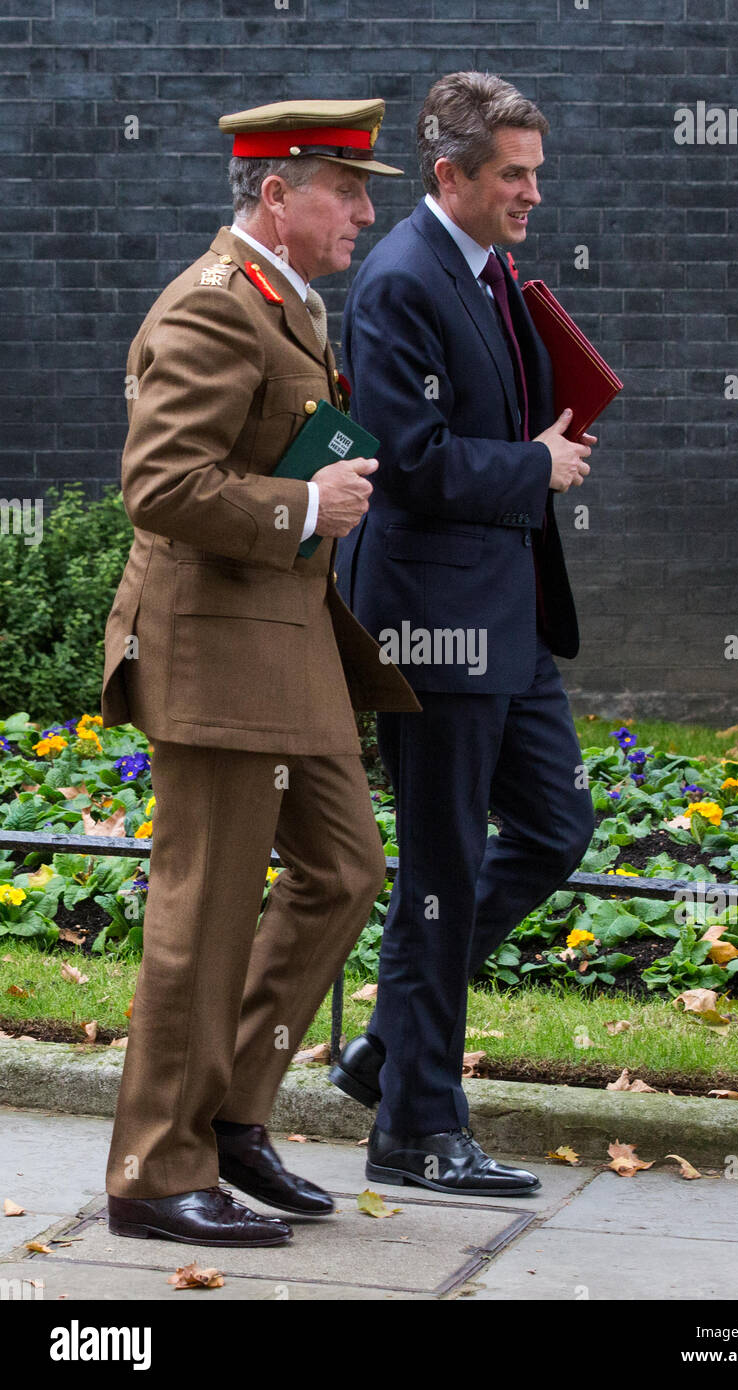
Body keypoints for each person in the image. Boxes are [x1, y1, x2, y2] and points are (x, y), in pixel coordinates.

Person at [99, 98, 417, 1247]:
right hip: (211, 653)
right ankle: (151, 1167)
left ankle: (230, 1111)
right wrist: (305, 504)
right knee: (203, 912)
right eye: (347, 190)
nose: (367, 212)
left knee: (344, 867)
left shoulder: (287, 306)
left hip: (278, 649)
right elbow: (160, 485)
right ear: (276, 196)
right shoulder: (210, 308)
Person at [330, 72, 596, 1195]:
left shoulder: (486, 273)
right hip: (432, 621)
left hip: (506, 614)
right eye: (513, 174)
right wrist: (537, 464)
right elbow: (412, 460)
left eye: (535, 171)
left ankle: (388, 1052)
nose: (532, 192)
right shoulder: (400, 279)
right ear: (451, 175)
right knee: (443, 867)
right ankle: (415, 1126)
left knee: (553, 824)